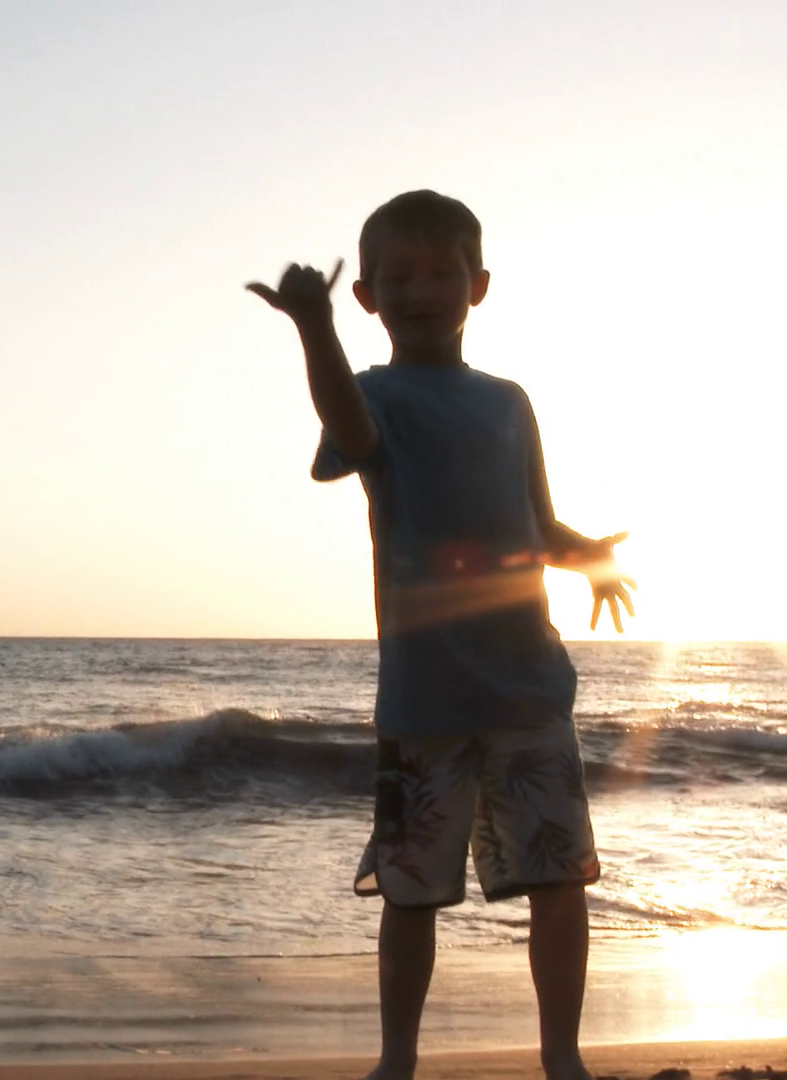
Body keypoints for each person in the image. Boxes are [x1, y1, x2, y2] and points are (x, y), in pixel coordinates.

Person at [248, 190, 635, 1080]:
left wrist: (594, 561)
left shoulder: (509, 403)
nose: (421, 290)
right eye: (398, 276)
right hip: (422, 701)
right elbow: (345, 427)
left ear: (479, 286)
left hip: (530, 690)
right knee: (410, 894)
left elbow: (536, 527)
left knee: (558, 882)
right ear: (369, 297)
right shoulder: (376, 396)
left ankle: (562, 1056)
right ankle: (397, 1060)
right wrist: (311, 328)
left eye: (441, 273)